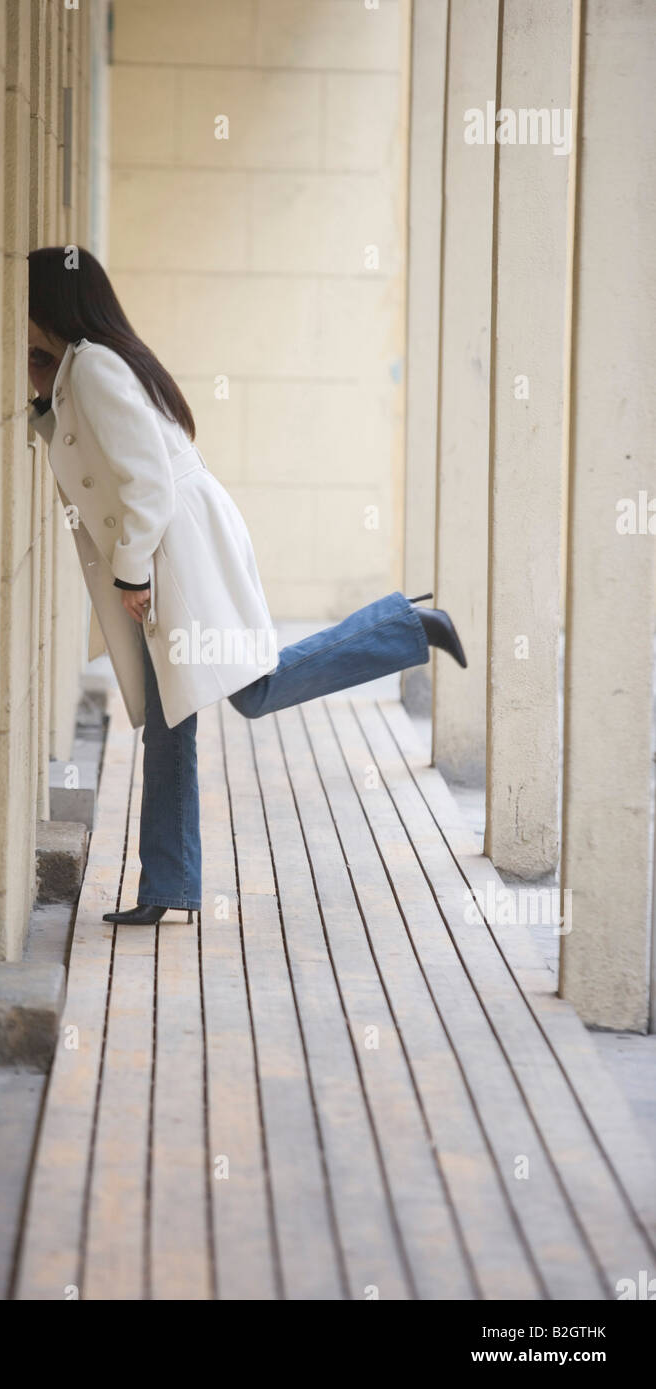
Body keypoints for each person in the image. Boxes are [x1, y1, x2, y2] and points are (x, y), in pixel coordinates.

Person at [27, 246, 466, 926]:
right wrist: (42, 394)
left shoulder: (97, 369)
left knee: (253, 692)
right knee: (172, 725)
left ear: (47, 304)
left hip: (174, 553)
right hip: (173, 543)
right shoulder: (87, 366)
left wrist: (132, 575)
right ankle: (167, 888)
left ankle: (406, 628)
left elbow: (145, 479)